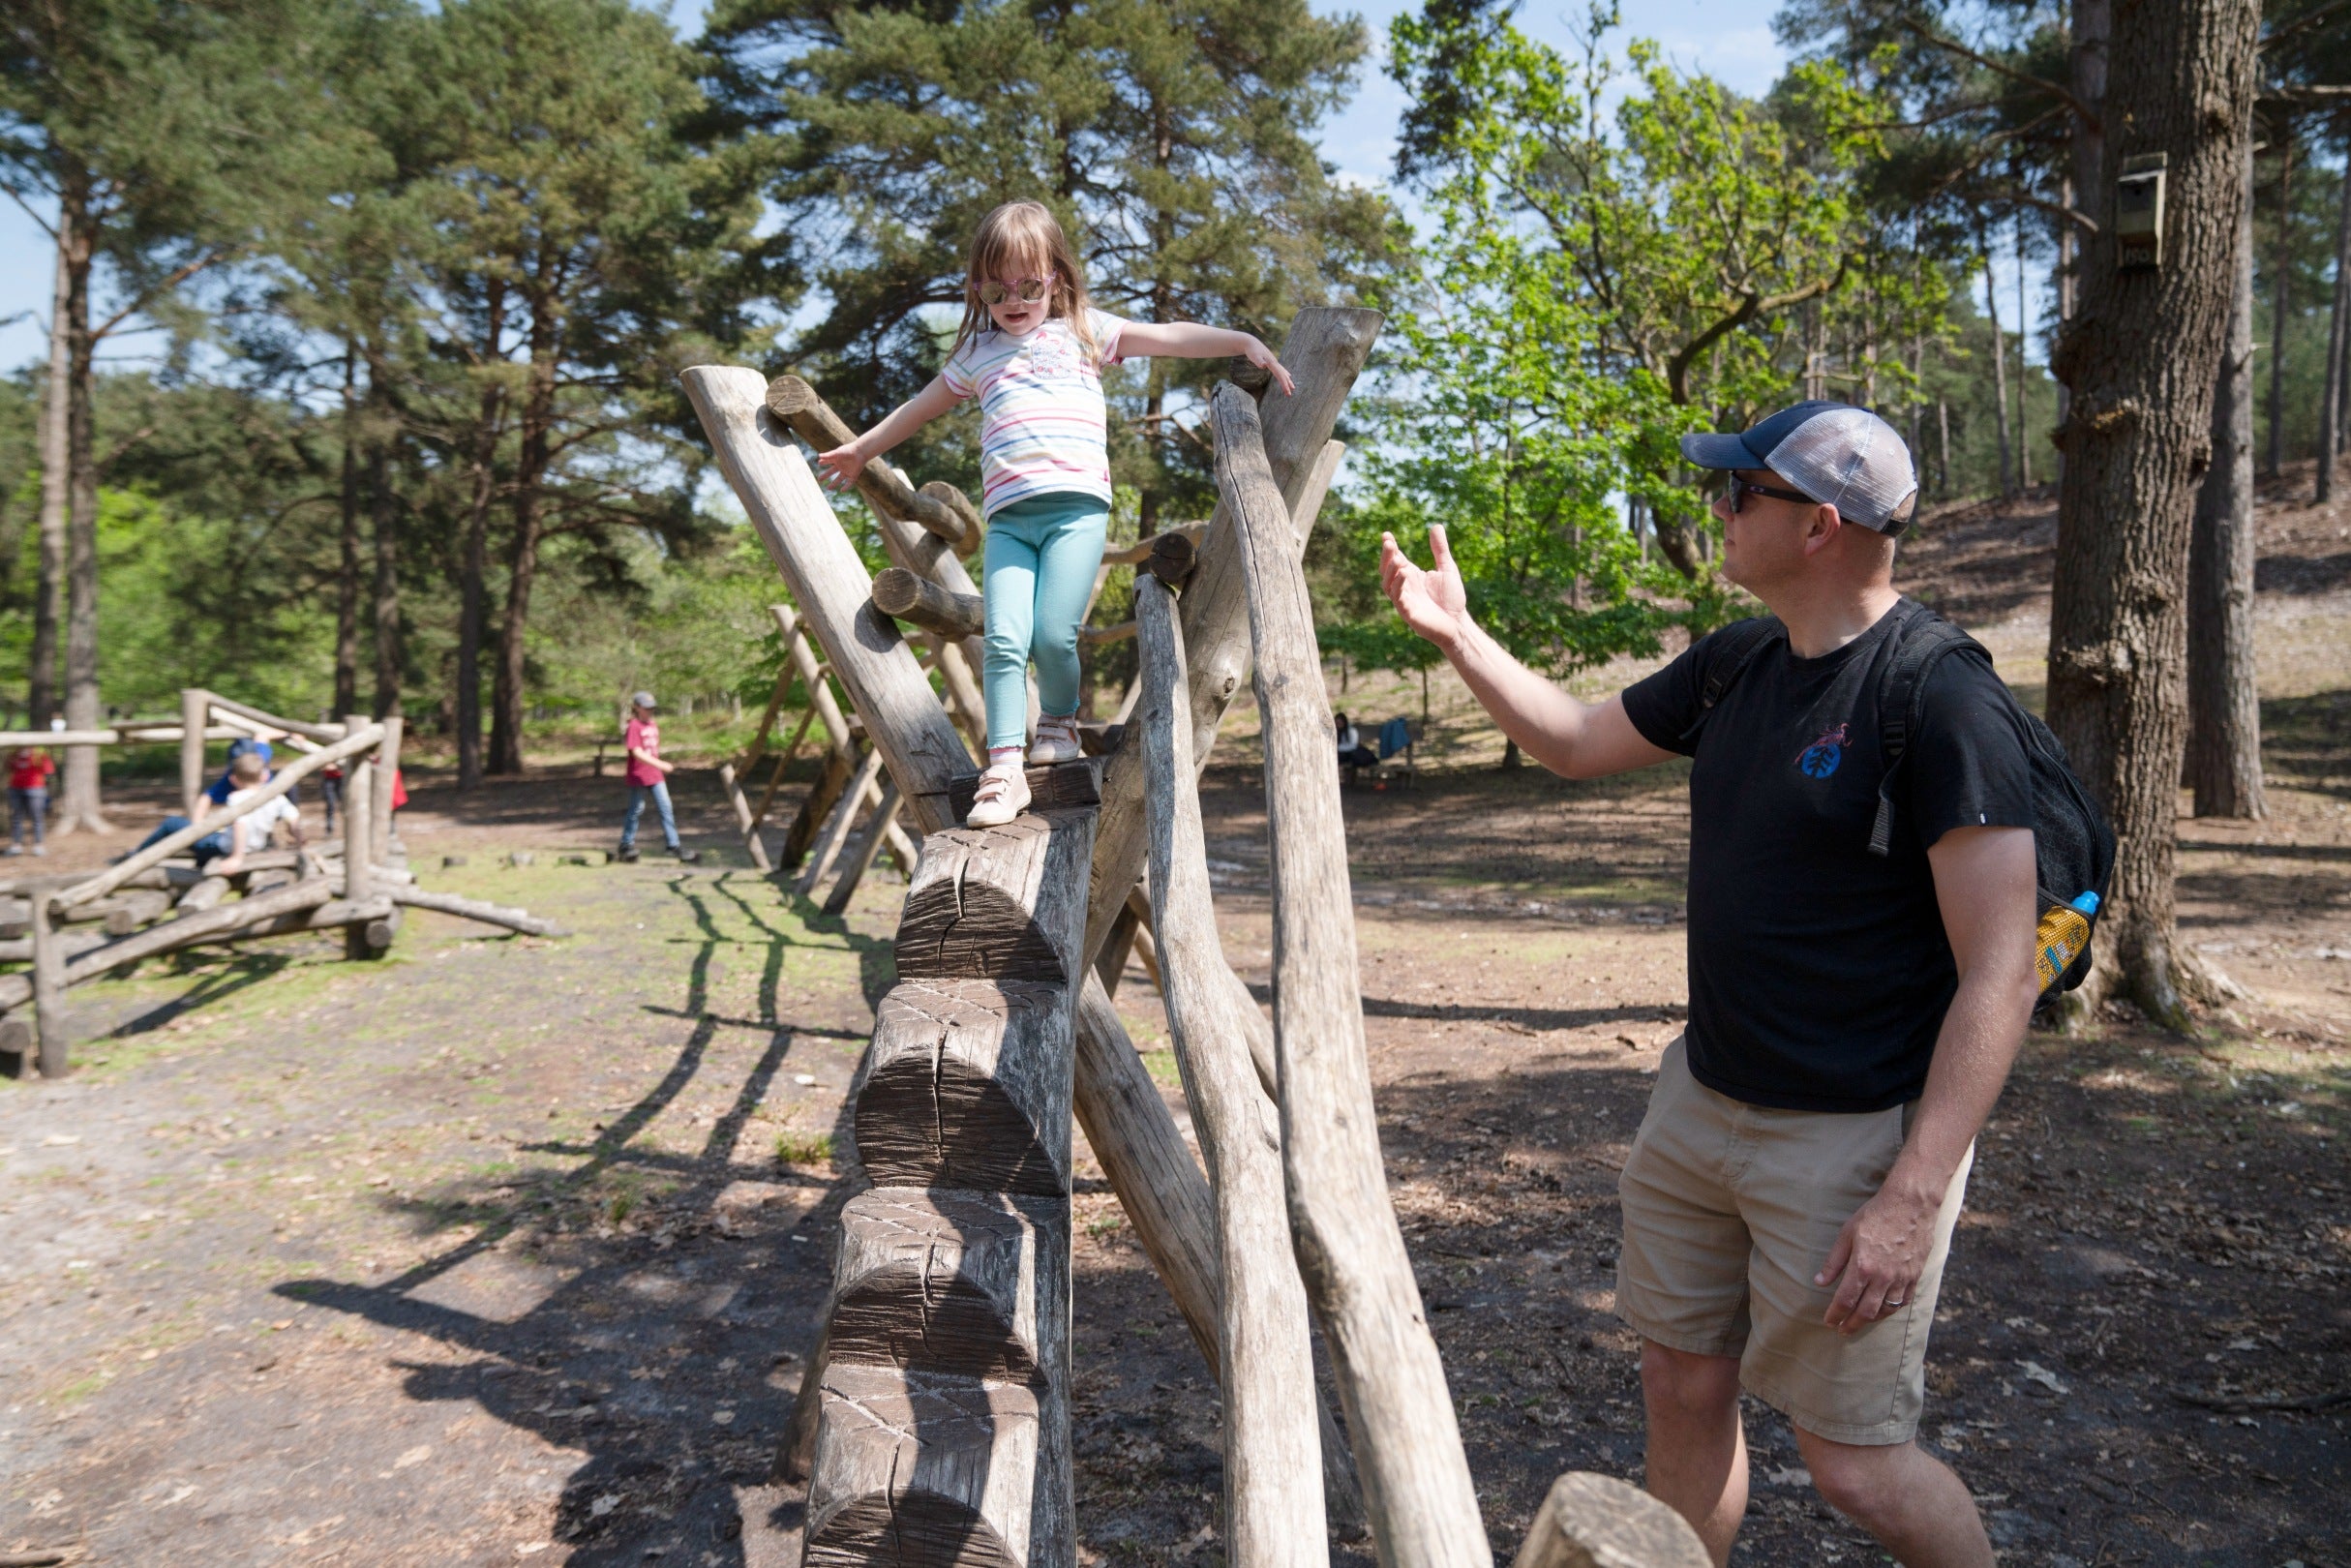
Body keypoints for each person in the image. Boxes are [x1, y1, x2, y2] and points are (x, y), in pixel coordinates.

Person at [1379, 402, 2041, 1568]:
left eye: (1738, 493)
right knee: (1682, 1385)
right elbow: (1579, 741)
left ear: (1819, 526)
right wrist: (1458, 638)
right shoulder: (1740, 661)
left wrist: (1910, 1196)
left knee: (1855, 1465)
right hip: (1700, 1103)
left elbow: (2001, 970)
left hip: (1850, 1145)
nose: (1715, 509)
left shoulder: (1940, 699)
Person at [815, 198, 1295, 828]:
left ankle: (1060, 723)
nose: (1012, 298)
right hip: (1010, 521)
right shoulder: (977, 353)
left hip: (1076, 512)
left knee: (1049, 634)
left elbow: (1170, 338)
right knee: (1004, 640)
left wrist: (1240, 340)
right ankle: (1004, 769)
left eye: (1029, 285)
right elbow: (919, 407)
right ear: (977, 290)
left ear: (1057, 279)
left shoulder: (1085, 330)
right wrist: (862, 447)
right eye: (995, 288)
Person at [133, 749, 303, 870]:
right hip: (255, 846)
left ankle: (136, 857)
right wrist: (299, 842)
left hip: (225, 848)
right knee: (212, 830)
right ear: (265, 776)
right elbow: (293, 819)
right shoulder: (276, 797)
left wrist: (237, 857)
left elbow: (239, 826)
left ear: (234, 779)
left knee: (171, 823)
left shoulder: (236, 798)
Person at [617, 691, 698, 864]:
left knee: (666, 807)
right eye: (646, 708)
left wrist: (657, 767)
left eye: (652, 708)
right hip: (639, 775)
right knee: (636, 810)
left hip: (655, 775)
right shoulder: (634, 726)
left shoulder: (652, 725)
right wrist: (660, 764)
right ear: (637, 708)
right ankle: (626, 844)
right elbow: (636, 752)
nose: (649, 711)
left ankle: (673, 845)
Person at [7, 745, 54, 857]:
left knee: (37, 817)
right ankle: (16, 845)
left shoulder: (39, 755)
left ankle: (38, 845)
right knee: (16, 817)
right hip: (15, 789)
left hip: (35, 789)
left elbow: (49, 771)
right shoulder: (13, 755)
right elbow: (8, 768)